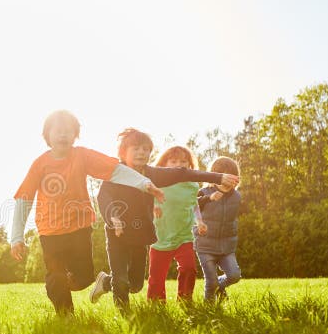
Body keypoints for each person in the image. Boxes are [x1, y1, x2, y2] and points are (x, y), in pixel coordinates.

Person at [9, 111, 164, 315]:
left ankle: (65, 283)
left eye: (68, 131)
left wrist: (144, 183)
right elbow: (24, 198)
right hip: (50, 230)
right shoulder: (40, 164)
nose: (63, 135)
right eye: (58, 131)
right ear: (48, 135)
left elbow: (115, 170)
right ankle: (65, 314)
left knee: (83, 278)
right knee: (56, 275)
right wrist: (16, 237)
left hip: (79, 228)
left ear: (75, 135)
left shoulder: (82, 156)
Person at [89, 130, 238, 312]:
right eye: (136, 149)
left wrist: (217, 177)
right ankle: (126, 319)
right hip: (117, 234)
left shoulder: (152, 173)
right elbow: (103, 196)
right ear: (123, 152)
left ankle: (105, 281)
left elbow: (183, 174)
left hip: (140, 235)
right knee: (121, 281)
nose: (142, 153)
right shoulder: (116, 173)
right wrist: (113, 217)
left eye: (146, 149)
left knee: (135, 285)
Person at [146, 146, 213, 302]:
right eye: (173, 161)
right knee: (157, 277)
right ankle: (156, 306)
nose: (179, 165)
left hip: (184, 236)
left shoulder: (192, 185)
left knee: (189, 268)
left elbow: (193, 203)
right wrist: (153, 207)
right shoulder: (157, 182)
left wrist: (200, 221)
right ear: (164, 164)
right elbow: (146, 199)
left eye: (183, 161)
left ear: (190, 165)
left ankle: (185, 300)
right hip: (160, 237)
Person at [194, 156, 242, 303]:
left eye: (232, 177)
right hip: (205, 245)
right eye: (224, 177)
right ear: (215, 177)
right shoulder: (204, 192)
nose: (228, 182)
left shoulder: (236, 196)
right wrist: (199, 224)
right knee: (211, 281)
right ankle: (209, 310)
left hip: (226, 245)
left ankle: (220, 286)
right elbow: (191, 208)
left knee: (234, 275)